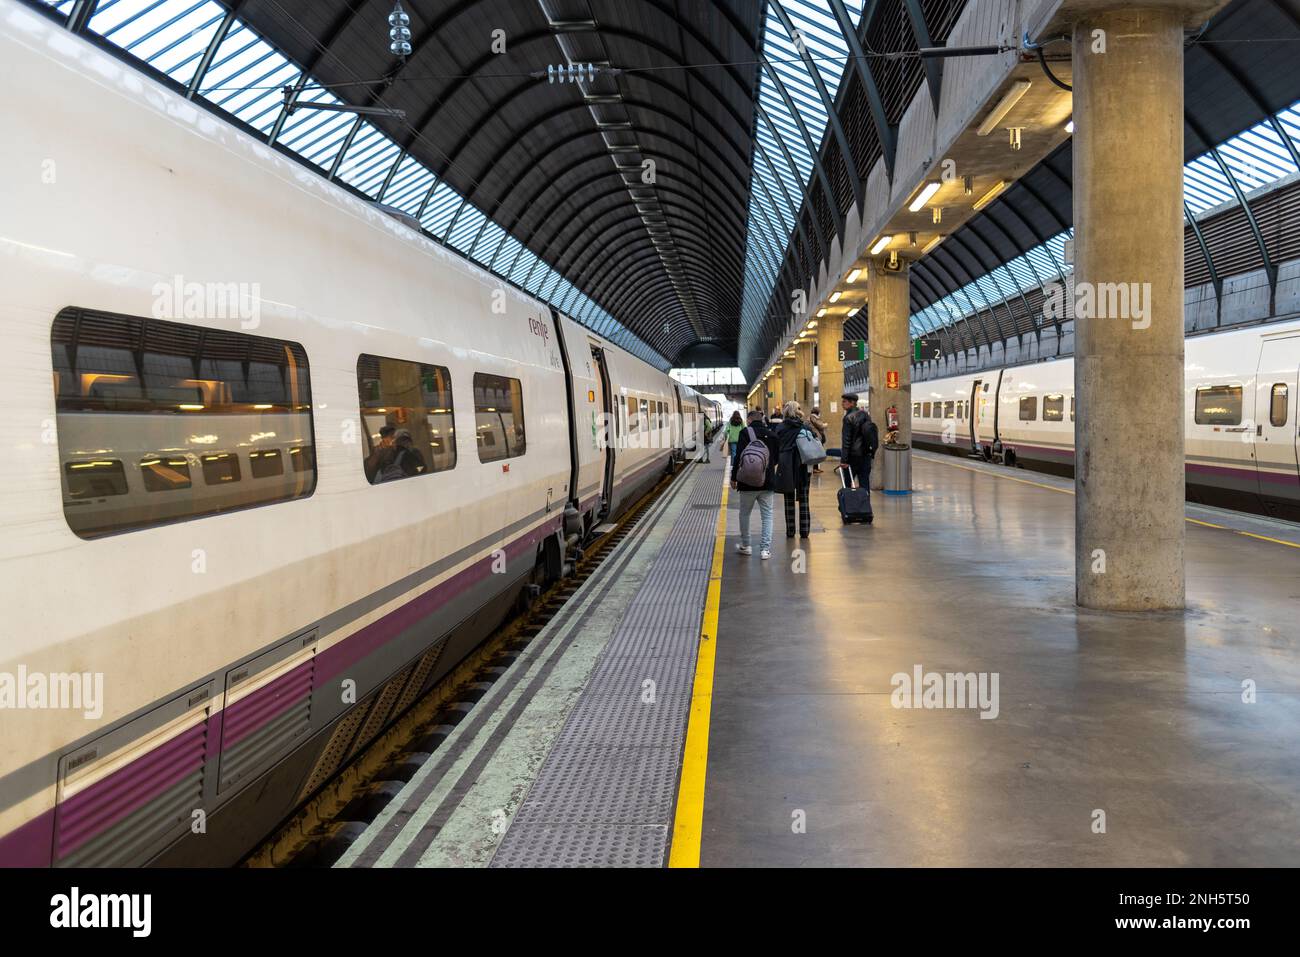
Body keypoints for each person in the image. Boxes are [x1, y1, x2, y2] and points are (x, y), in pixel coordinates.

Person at [731, 409, 780, 559]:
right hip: (767, 482)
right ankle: (765, 550)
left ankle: (746, 545)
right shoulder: (772, 434)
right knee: (767, 516)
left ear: (749, 420)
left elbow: (738, 457)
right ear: (763, 419)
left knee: (745, 514)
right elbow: (776, 459)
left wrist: (734, 478)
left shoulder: (745, 433)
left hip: (746, 482)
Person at [774, 400, 812, 539]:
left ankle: (790, 531)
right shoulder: (805, 426)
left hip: (786, 465)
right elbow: (818, 439)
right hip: (803, 465)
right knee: (804, 499)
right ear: (798, 411)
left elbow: (776, 445)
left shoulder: (780, 427)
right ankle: (805, 531)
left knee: (788, 498)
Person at [840, 392, 880, 490]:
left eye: (844, 401)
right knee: (864, 483)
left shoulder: (848, 418)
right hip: (865, 455)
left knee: (847, 484)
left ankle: (847, 505)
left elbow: (846, 440)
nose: (842, 403)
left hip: (852, 457)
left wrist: (844, 460)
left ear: (852, 403)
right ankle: (865, 504)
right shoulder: (865, 415)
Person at [808, 406, 828, 473]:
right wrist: (825, 425)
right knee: (816, 453)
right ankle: (814, 468)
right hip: (816, 437)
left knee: (817, 453)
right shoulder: (813, 417)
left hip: (817, 436)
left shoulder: (813, 417)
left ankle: (816, 467)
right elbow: (820, 425)